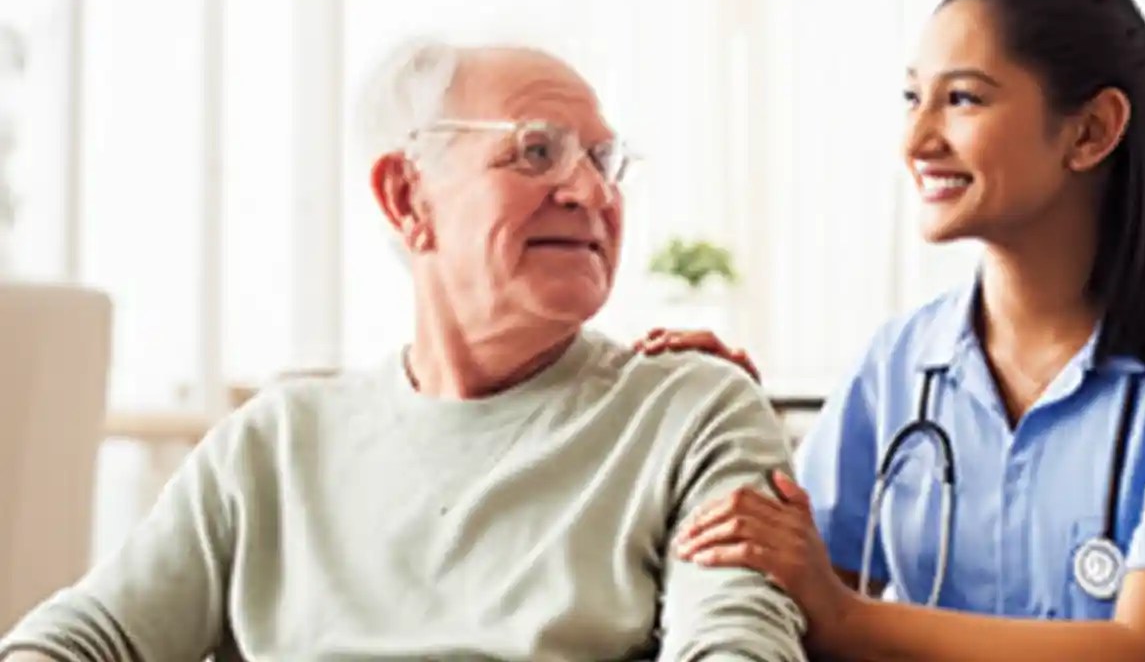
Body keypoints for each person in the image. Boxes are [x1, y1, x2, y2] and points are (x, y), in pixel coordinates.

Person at [0, 40, 805, 661]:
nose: (592, 193)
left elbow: (737, 644)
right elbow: (86, 635)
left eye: (603, 161)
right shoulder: (275, 443)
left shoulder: (692, 412)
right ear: (406, 195)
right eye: (537, 151)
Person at [638, 0, 1145, 662]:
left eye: (964, 99)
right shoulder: (902, 363)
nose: (917, 142)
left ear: (1091, 131)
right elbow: (788, 591)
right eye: (913, 99)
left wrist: (851, 619)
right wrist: (721, 414)